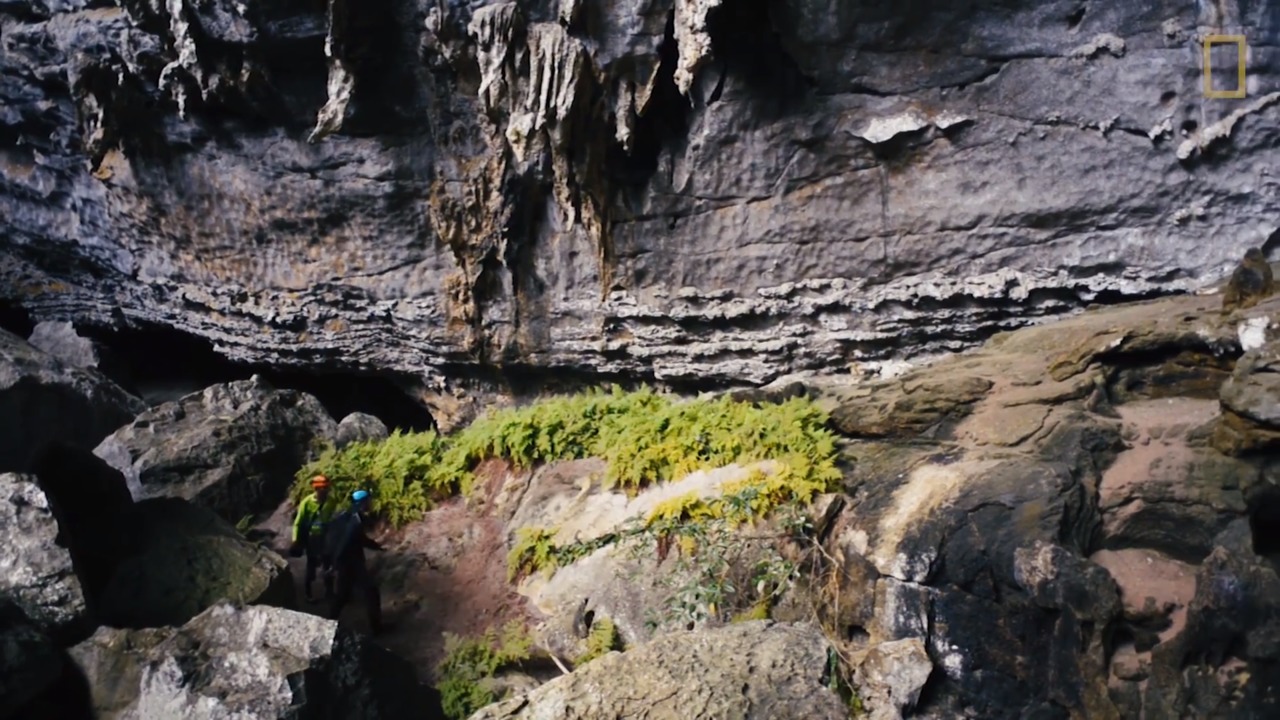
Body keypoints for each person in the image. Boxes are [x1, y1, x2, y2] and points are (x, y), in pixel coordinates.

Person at [324, 489, 385, 633]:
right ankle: (377, 629)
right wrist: (334, 565)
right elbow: (346, 542)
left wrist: (376, 546)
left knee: (343, 595)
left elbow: (356, 538)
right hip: (350, 562)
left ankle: (328, 624)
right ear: (363, 503)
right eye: (369, 501)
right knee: (371, 591)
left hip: (345, 561)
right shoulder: (355, 520)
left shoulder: (346, 514)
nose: (371, 503)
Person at [291, 475, 338, 602]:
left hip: (326, 536)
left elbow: (333, 517)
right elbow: (298, 522)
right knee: (311, 565)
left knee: (328, 563)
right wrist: (295, 539)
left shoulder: (331, 501)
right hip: (311, 538)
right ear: (317, 489)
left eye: (327, 488)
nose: (326, 491)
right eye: (323, 489)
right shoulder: (306, 503)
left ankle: (329, 591)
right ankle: (308, 593)